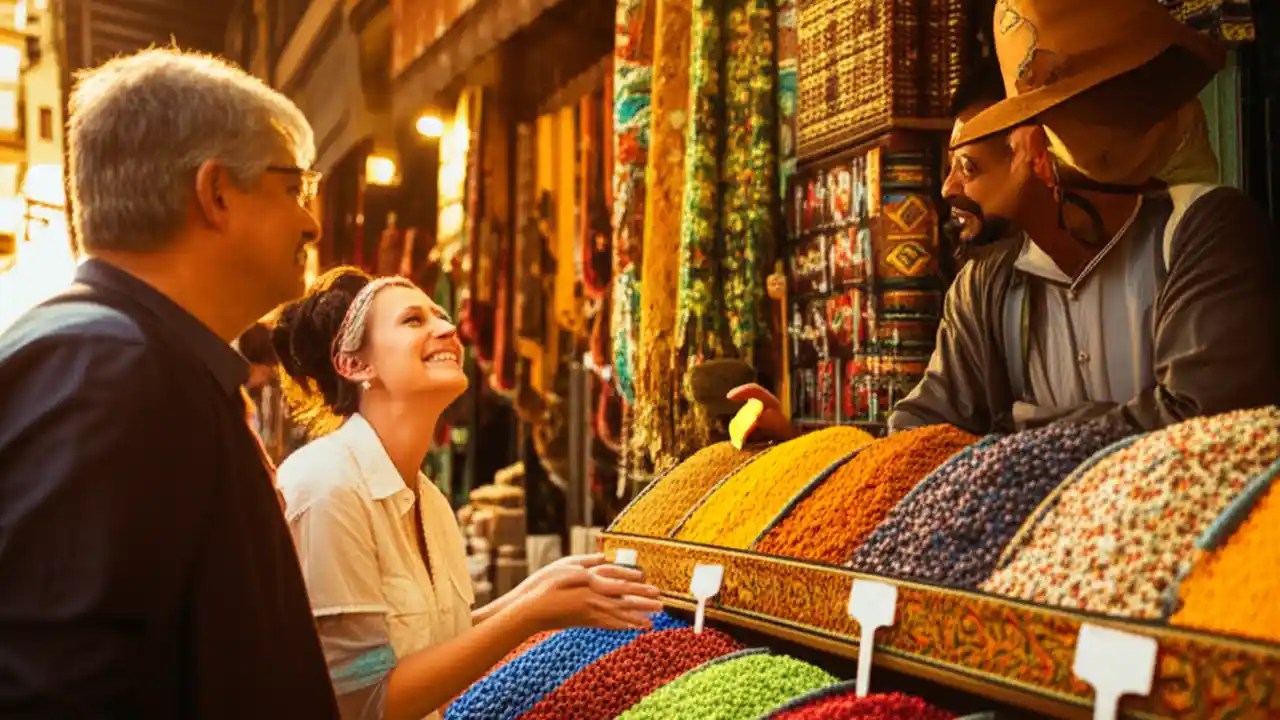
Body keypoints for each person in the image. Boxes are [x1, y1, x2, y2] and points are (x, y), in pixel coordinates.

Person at [732, 0, 1280, 439]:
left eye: (968, 167)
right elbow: (923, 440)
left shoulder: (1201, 232)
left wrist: (1018, 434)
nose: (948, 190)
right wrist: (800, 443)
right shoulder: (986, 287)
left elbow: (1205, 425)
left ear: (1034, 150)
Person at [0, 49, 339, 717]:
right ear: (216, 193)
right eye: (293, 188)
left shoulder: (133, 359)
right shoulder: (107, 369)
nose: (311, 222)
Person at [271, 267, 662, 720]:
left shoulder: (431, 502)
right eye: (413, 320)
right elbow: (362, 703)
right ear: (356, 365)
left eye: (440, 315)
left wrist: (535, 592)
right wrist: (529, 614)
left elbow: (432, 644)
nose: (448, 329)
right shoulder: (327, 486)